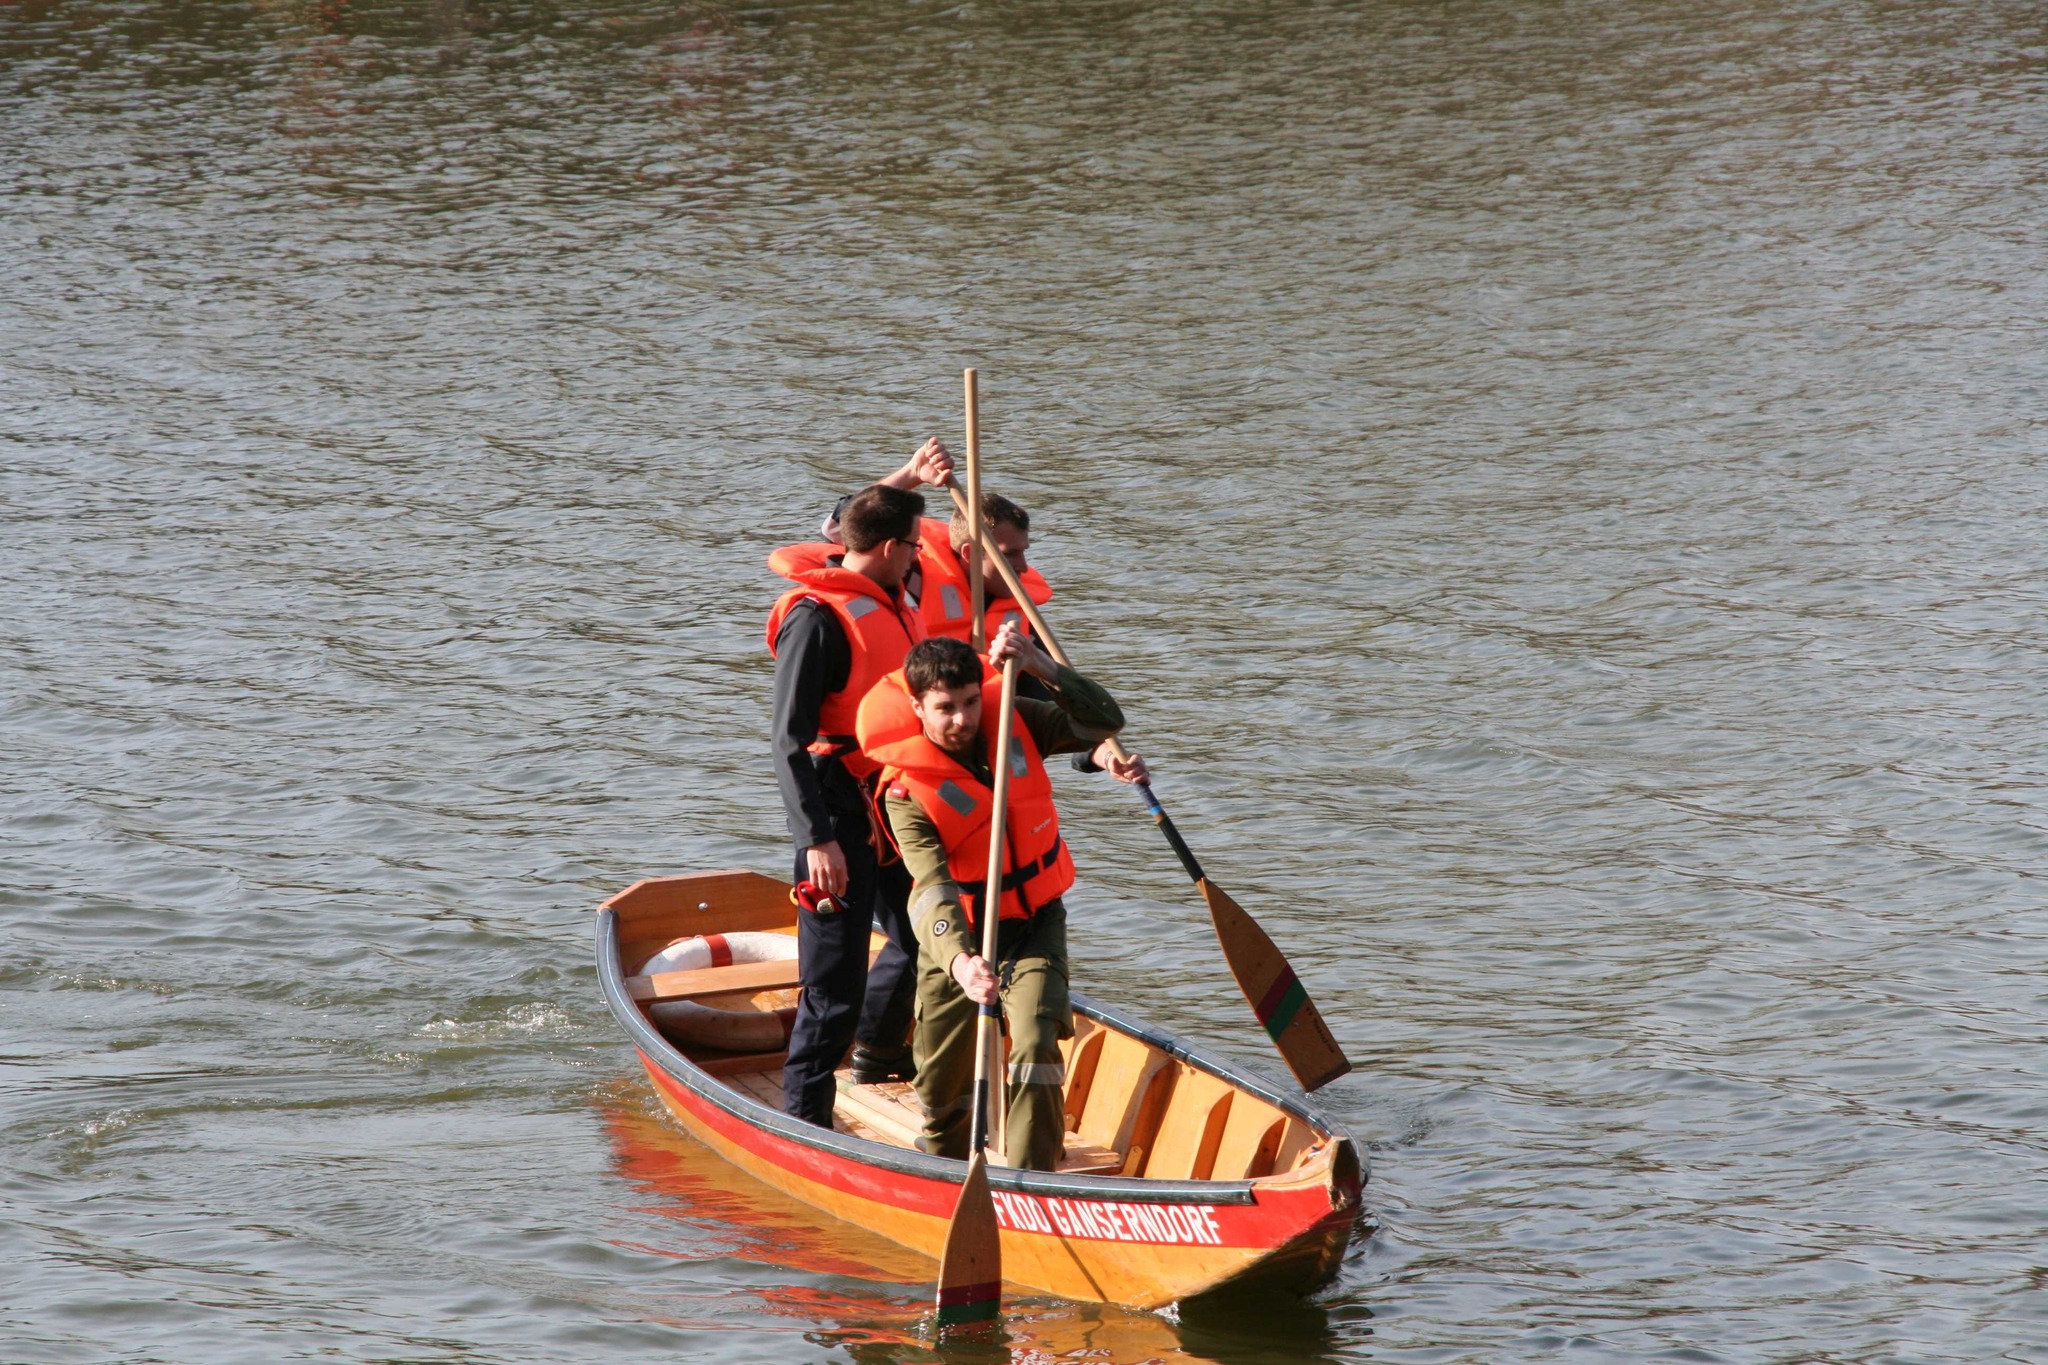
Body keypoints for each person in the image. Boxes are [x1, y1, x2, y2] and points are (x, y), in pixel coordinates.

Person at [853, 626, 1148, 1170]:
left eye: (970, 702)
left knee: (1036, 1044)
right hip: (958, 939)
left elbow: (1100, 723)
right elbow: (931, 887)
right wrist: (962, 962)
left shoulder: (1015, 717)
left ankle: (1034, 1176)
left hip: (1033, 922)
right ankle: (943, 1168)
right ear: (917, 705)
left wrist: (1040, 665)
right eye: (945, 708)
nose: (963, 720)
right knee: (944, 1090)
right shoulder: (903, 792)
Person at [764, 450, 950, 1126]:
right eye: (913, 547)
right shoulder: (816, 619)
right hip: (835, 805)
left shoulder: (900, 587)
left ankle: (877, 1048)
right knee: (832, 985)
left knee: (928, 934)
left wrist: (908, 475)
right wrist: (815, 839)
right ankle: (802, 1120)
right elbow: (787, 740)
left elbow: (861, 511)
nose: (919, 559)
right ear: (891, 547)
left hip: (894, 797)